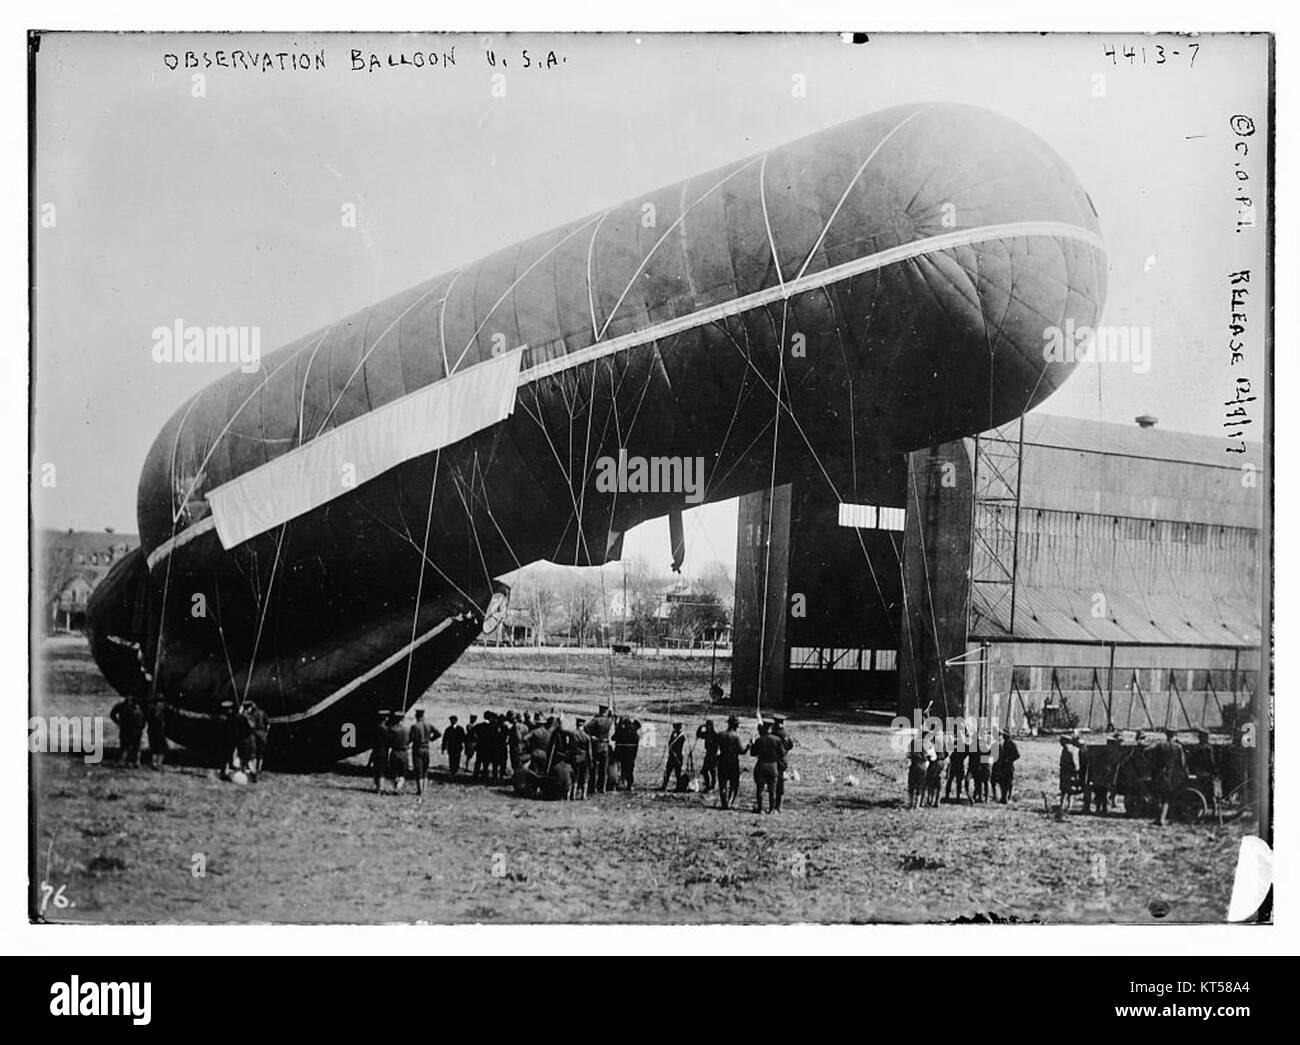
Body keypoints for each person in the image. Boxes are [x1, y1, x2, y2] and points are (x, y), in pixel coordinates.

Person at [1151, 728, 1187, 826]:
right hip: (1173, 775)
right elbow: (1182, 763)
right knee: (1168, 797)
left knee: (1161, 797)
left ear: (1166, 735)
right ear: (1174, 735)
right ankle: (1163, 819)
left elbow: (1151, 756)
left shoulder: (1161, 745)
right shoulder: (1178, 747)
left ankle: (1160, 818)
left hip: (1161, 774)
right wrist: (1184, 774)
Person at [750, 722, 784, 814]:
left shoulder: (759, 740)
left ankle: (760, 808)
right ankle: (772, 809)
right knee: (772, 789)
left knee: (760, 789)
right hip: (772, 766)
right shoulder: (777, 740)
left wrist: (752, 744)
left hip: (761, 765)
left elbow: (752, 753)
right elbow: (782, 754)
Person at [715, 715, 746, 809]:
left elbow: (716, 749)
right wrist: (748, 746)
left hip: (722, 760)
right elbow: (742, 751)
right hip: (733, 761)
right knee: (734, 784)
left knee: (722, 783)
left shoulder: (720, 734)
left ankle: (724, 803)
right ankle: (730, 802)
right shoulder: (736, 736)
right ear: (735, 725)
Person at [409, 710, 440, 795]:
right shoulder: (429, 725)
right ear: (423, 716)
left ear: (416, 716)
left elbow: (411, 738)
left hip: (417, 748)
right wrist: (431, 739)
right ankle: (424, 790)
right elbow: (439, 733)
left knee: (418, 770)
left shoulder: (414, 726)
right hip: (426, 748)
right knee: (425, 770)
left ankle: (419, 790)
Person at [584, 704, 614, 793]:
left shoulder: (596, 720)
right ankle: (603, 788)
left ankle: (594, 787)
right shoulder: (609, 720)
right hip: (605, 746)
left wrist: (592, 735)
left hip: (596, 745)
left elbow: (585, 727)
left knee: (594, 768)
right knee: (603, 768)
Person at [109, 696, 145, 769]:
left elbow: (144, 716)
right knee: (125, 745)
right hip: (126, 728)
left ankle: (136, 762)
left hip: (136, 729)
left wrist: (141, 725)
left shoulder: (139, 706)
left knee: (136, 746)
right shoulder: (121, 705)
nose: (130, 697)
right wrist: (118, 722)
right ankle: (123, 761)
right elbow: (113, 714)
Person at [770, 714, 794, 808]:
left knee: (773, 783)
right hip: (782, 760)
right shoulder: (785, 734)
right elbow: (790, 746)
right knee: (780, 784)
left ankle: (773, 805)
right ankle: (778, 806)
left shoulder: (773, 733)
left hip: (774, 760)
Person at [614, 715, 642, 791]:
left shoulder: (621, 731)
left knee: (622, 768)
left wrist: (616, 726)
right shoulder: (635, 734)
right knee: (630, 769)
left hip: (622, 754)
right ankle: (629, 784)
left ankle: (623, 782)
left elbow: (614, 738)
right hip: (631, 755)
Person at [991, 729, 1019, 803]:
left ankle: (1007, 797)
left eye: (1005, 735)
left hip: (1009, 766)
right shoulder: (1004, 743)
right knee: (1003, 782)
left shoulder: (1011, 744)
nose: (1003, 736)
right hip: (1003, 766)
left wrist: (1009, 760)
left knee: (1008, 782)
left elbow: (1017, 755)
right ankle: (1004, 797)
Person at [386, 711, 411, 794]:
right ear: (403, 719)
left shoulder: (392, 729)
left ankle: (395, 787)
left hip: (395, 751)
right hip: (404, 752)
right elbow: (410, 740)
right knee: (403, 772)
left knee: (394, 771)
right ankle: (398, 787)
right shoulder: (407, 729)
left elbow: (388, 741)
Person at [660, 722, 687, 791]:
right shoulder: (674, 734)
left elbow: (677, 745)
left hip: (677, 756)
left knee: (677, 773)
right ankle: (664, 785)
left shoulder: (681, 736)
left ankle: (678, 787)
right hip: (672, 756)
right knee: (668, 772)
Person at [570, 717, 592, 799]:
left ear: (576, 724)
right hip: (584, 758)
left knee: (575, 776)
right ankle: (584, 795)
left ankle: (573, 795)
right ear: (583, 725)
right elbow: (589, 751)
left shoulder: (572, 734)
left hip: (575, 757)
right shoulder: (587, 737)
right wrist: (591, 760)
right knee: (585, 776)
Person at [145, 699, 168, 771]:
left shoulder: (151, 711)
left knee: (154, 749)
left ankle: (154, 764)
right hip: (159, 733)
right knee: (162, 749)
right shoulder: (159, 713)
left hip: (152, 732)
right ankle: (158, 764)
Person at [370, 711, 391, 792]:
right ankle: (381, 787)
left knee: (376, 769)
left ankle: (376, 786)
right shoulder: (386, 729)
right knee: (382, 770)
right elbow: (388, 742)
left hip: (375, 750)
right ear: (386, 719)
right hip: (383, 751)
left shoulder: (375, 728)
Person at [696, 720, 719, 792]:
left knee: (712, 771)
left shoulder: (715, 735)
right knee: (704, 771)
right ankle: (708, 785)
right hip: (708, 754)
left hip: (713, 755)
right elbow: (698, 734)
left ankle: (712, 786)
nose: (708, 727)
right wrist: (700, 727)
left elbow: (717, 746)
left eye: (709, 726)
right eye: (707, 726)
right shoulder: (707, 734)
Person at [1058, 735, 1079, 811]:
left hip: (1067, 773)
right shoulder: (1073, 748)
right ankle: (1068, 806)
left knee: (1065, 790)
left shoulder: (1067, 749)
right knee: (1069, 791)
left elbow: (1073, 763)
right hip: (1068, 772)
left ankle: (1063, 806)